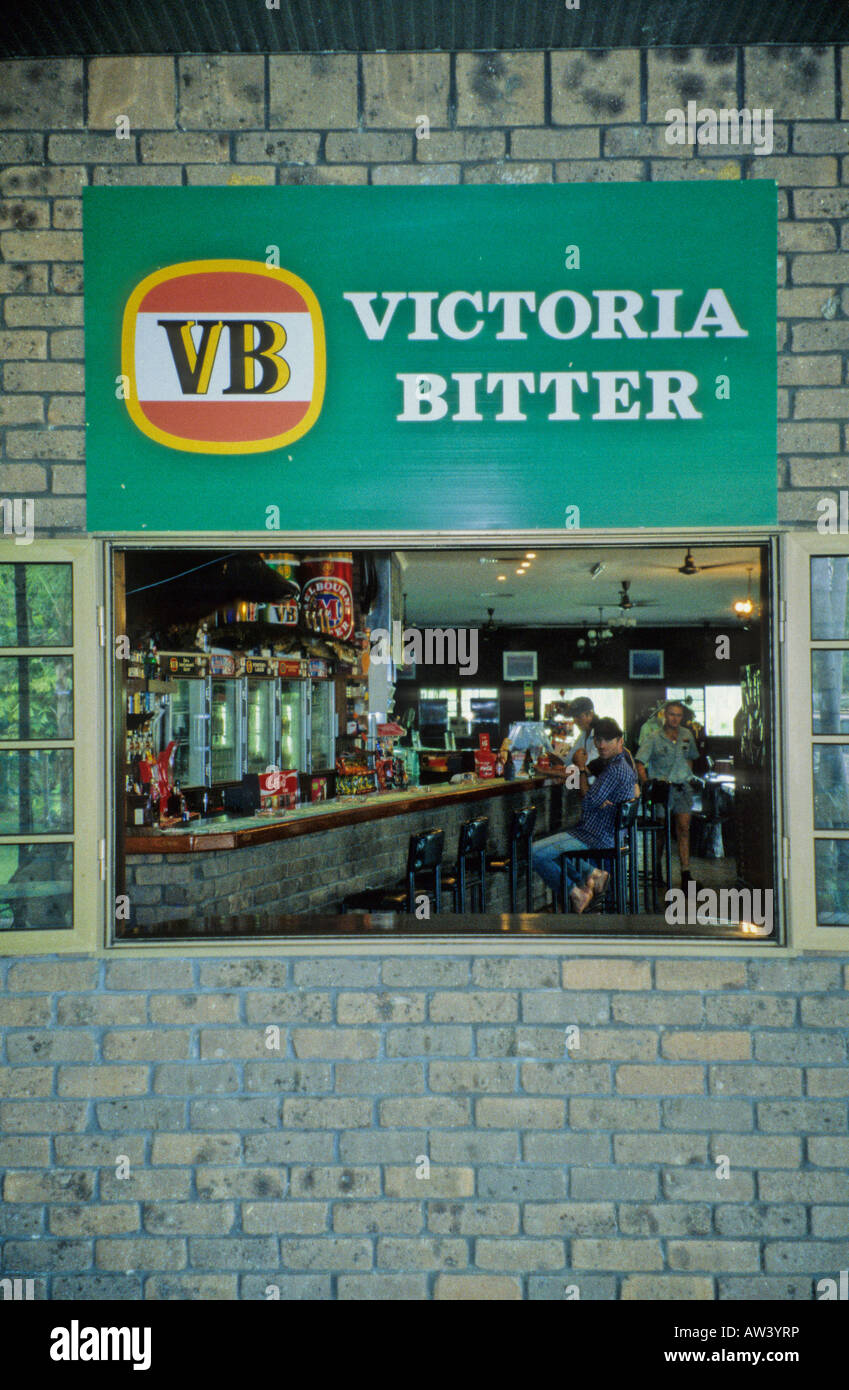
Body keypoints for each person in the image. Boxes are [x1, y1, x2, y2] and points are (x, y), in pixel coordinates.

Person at [533, 717, 637, 913]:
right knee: (553, 851)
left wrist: (581, 770)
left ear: (620, 741)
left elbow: (587, 801)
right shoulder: (614, 763)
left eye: (607, 740)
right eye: (598, 740)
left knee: (535, 853)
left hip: (596, 837)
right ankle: (591, 874)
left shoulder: (615, 769)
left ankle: (576, 892)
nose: (602, 745)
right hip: (602, 834)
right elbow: (591, 796)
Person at [635, 700, 698, 888]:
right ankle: (657, 870)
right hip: (662, 789)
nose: (675, 718)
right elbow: (639, 762)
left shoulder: (687, 735)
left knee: (684, 829)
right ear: (664, 715)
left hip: (682, 788)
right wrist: (647, 785)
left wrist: (687, 776)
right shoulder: (654, 737)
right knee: (660, 831)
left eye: (679, 715)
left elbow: (691, 758)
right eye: (672, 714)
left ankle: (686, 873)